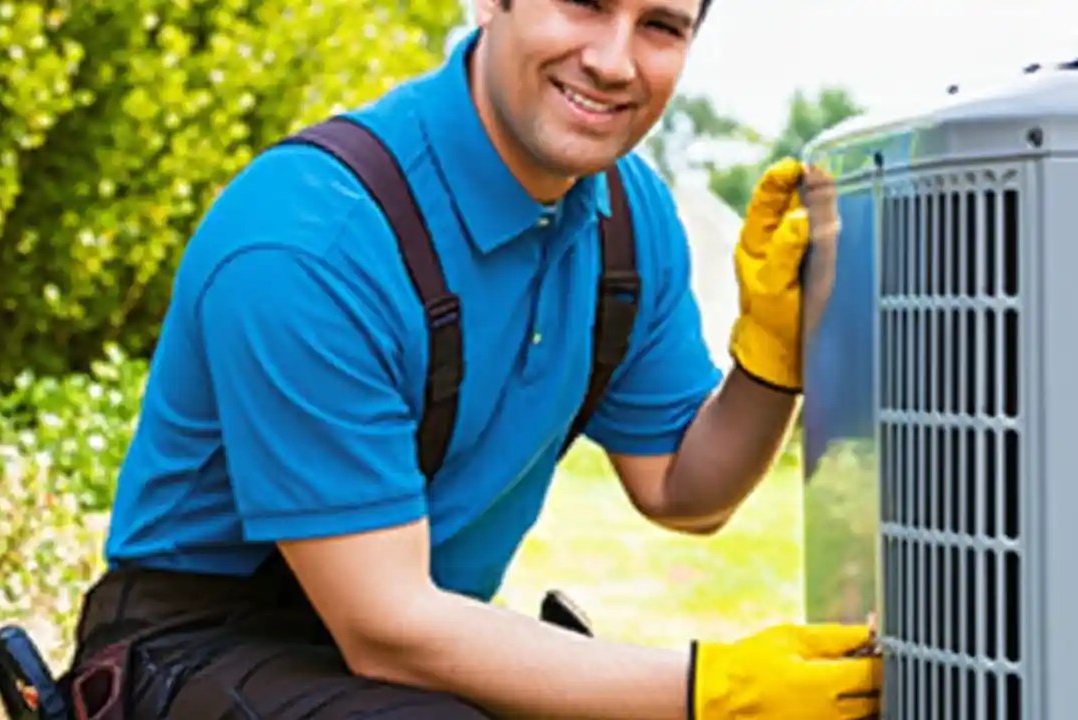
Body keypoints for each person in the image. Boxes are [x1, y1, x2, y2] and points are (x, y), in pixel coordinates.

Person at [61, 0, 882, 718]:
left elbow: (684, 486)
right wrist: (716, 695)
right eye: (583, 2)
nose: (613, 59)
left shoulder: (631, 223)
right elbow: (384, 629)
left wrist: (769, 358)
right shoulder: (312, 240)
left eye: (660, 26)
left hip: (401, 655)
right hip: (194, 652)